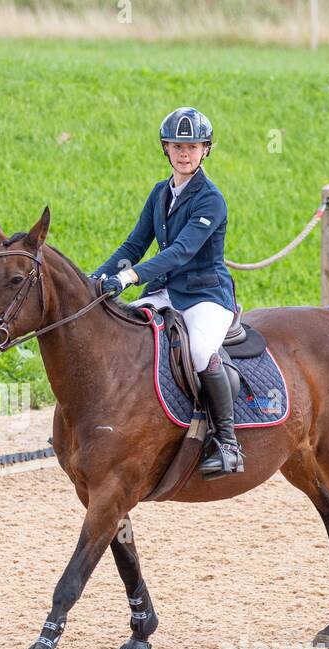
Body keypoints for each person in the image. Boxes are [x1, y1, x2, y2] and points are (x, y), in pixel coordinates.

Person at [92, 107, 244, 479]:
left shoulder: (211, 199)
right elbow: (135, 243)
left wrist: (129, 279)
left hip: (205, 295)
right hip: (166, 291)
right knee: (122, 332)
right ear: (166, 148)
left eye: (192, 146)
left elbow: (181, 252)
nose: (184, 153)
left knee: (199, 351)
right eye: (177, 146)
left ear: (206, 150)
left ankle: (226, 442)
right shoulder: (160, 193)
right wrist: (95, 278)